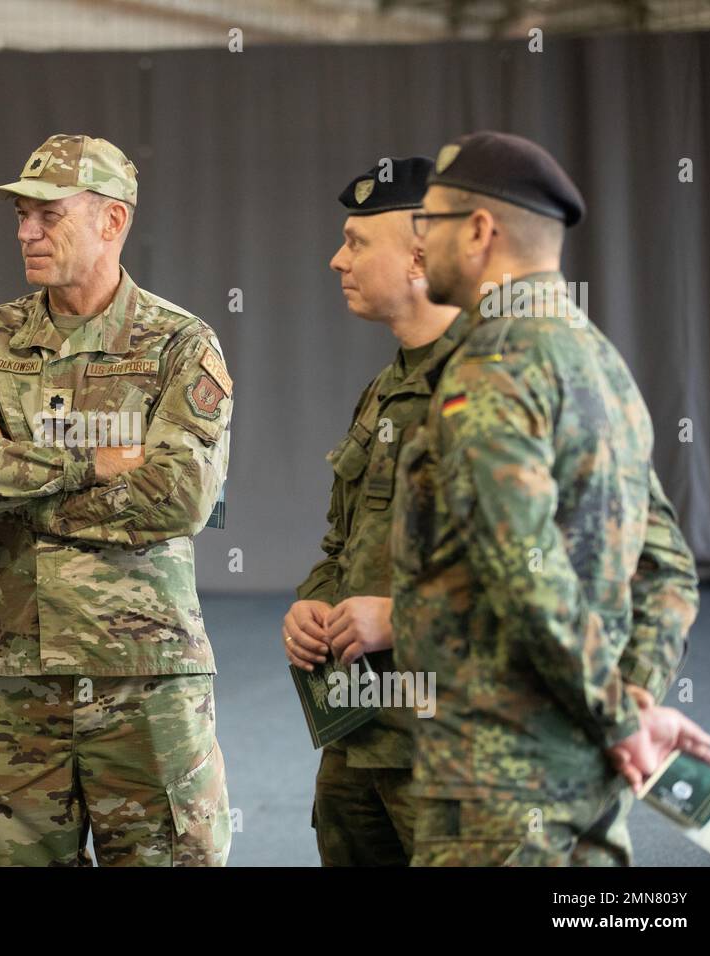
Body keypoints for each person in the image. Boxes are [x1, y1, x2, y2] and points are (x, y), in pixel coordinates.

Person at [393, 130, 710, 865]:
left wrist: (615, 718)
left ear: (479, 231)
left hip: (496, 793)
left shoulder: (494, 367)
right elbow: (668, 568)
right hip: (586, 782)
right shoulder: (599, 361)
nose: (420, 245)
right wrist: (630, 701)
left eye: (430, 223)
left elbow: (527, 570)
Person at [0, 133, 232, 866]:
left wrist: (9, 476)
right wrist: (88, 465)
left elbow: (179, 497)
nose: (26, 232)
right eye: (21, 216)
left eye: (48, 215)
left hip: (142, 671)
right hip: (14, 670)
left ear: (112, 221)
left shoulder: (178, 344)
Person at [284, 156, 464, 865]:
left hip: (454, 745)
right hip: (362, 730)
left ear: (420, 258)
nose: (336, 260)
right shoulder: (385, 389)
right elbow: (344, 544)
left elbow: (557, 584)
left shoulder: (499, 386)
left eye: (357, 242)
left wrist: (399, 617)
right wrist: (312, 608)